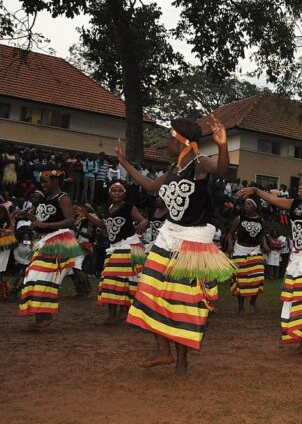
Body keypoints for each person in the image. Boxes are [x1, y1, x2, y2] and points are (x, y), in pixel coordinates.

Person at [118, 116, 234, 376]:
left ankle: (182, 359)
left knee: (183, 303)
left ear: (179, 139)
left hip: (192, 243)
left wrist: (223, 146)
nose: (166, 141)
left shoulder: (199, 163)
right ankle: (164, 350)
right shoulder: (173, 171)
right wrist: (124, 163)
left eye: (169, 136)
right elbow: (149, 186)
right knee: (150, 292)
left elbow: (222, 169)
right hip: (167, 239)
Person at [237, 173, 302, 354]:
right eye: (299, 185)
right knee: (296, 299)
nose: (299, 187)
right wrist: (255, 190)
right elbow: (272, 198)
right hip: (296, 259)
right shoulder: (294, 204)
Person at [18, 170, 83, 329]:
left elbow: (70, 221)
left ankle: (44, 317)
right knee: (34, 277)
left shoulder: (63, 198)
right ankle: (43, 317)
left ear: (56, 180)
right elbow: (41, 221)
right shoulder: (43, 199)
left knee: (39, 275)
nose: (43, 184)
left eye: (46, 181)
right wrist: (28, 216)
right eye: (42, 181)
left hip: (59, 240)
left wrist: (45, 225)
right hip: (44, 241)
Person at [79, 180, 148, 324]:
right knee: (112, 280)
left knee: (125, 281)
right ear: (109, 192)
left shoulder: (129, 207)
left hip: (129, 246)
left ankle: (122, 313)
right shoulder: (108, 208)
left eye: (120, 190)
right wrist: (87, 214)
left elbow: (143, 220)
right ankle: (113, 314)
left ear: (125, 193)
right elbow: (103, 225)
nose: (117, 193)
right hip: (115, 247)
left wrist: (142, 223)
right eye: (114, 190)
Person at [226, 198, 268, 313]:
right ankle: (241, 306)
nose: (246, 206)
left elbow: (263, 235)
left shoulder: (261, 220)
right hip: (240, 250)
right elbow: (230, 233)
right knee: (241, 279)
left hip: (255, 250)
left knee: (259, 276)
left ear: (255, 206)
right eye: (245, 204)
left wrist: (265, 244)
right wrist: (230, 244)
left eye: (249, 204)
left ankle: (253, 300)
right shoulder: (239, 218)